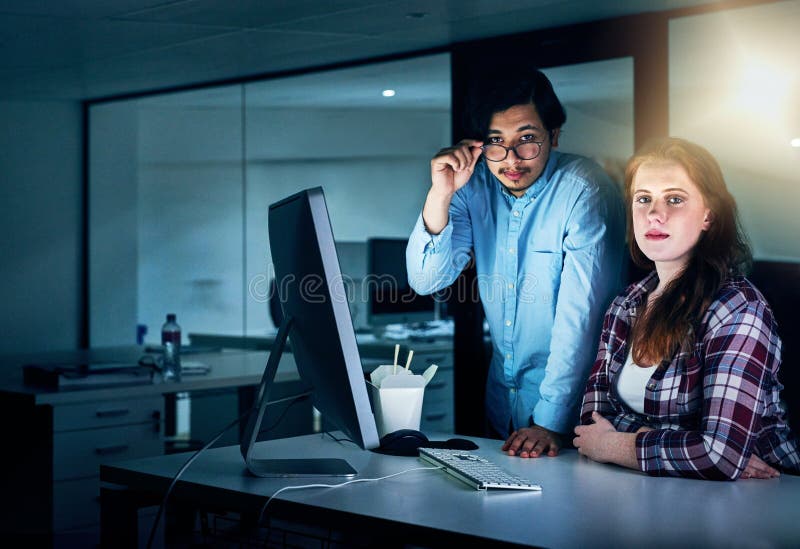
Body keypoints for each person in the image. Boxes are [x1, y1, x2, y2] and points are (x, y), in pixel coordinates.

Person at [406, 68, 625, 457]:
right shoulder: (472, 184)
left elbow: (583, 319)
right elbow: (426, 279)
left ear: (553, 136)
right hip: (502, 405)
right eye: (496, 142)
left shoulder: (584, 190)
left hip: (568, 418)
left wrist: (549, 422)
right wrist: (440, 194)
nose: (511, 160)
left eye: (527, 139)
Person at [574, 137, 800, 480]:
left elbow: (719, 456)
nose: (654, 214)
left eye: (674, 199)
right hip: (643, 494)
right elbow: (591, 424)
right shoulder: (625, 305)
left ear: (709, 214)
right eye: (643, 199)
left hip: (763, 499)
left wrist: (614, 445)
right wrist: (682, 446)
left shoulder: (738, 309)